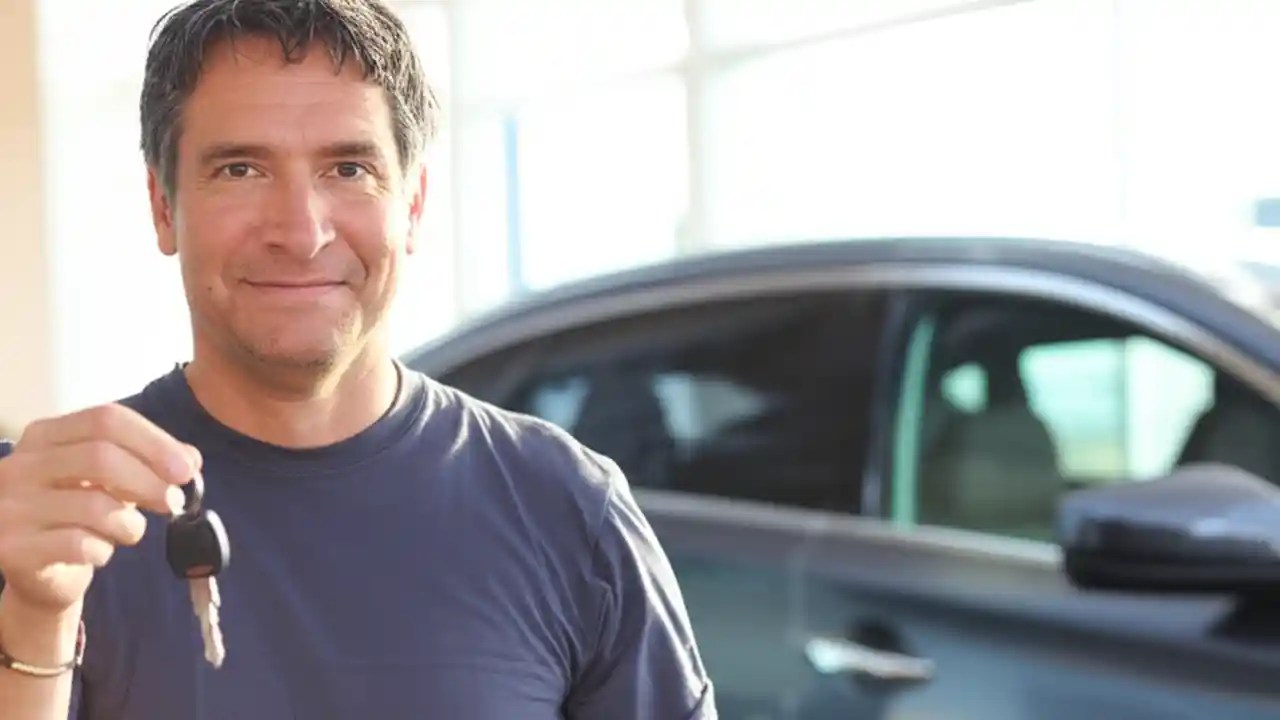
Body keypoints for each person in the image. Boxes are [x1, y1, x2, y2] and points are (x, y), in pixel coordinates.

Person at [0, 1, 717, 717]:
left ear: (412, 205)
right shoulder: (46, 519)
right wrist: (35, 613)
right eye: (241, 169)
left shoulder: (566, 507)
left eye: (348, 167)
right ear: (163, 206)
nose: (301, 231)